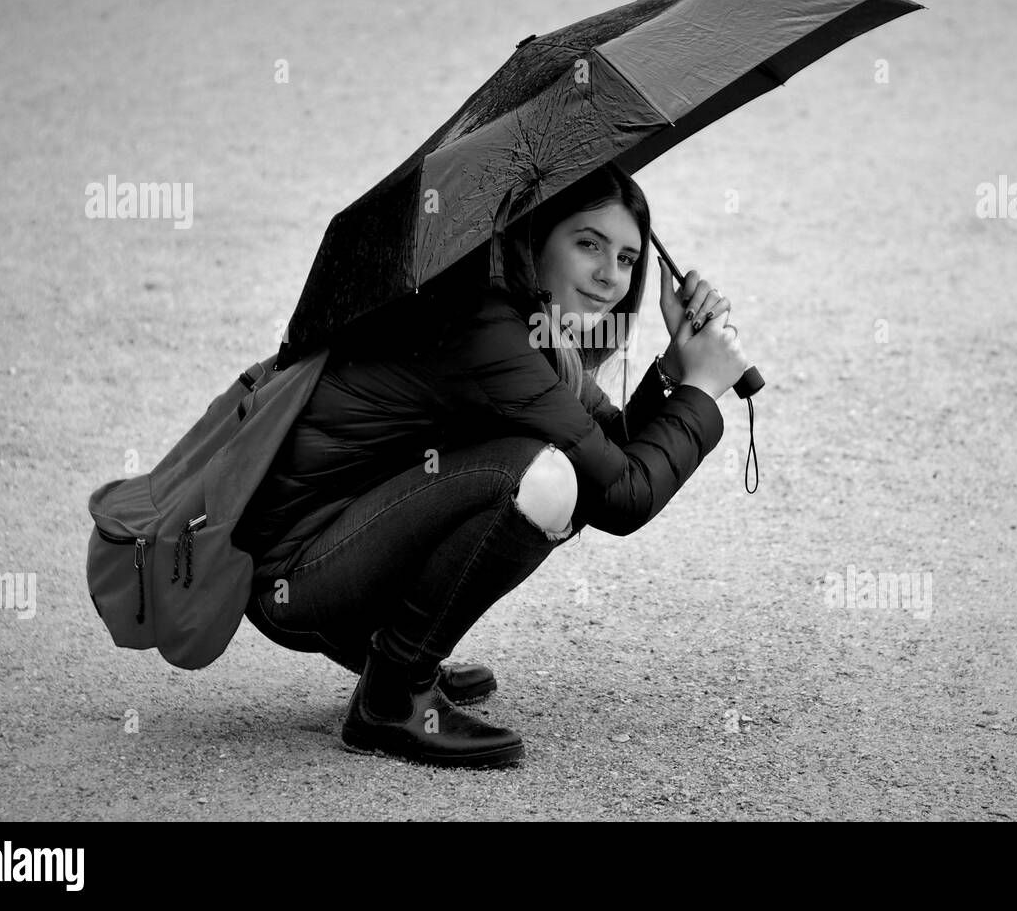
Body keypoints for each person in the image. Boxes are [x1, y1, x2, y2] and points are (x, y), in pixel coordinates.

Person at [234, 162, 752, 768]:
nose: (610, 277)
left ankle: (397, 650)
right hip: (295, 573)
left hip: (339, 549)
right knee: (543, 477)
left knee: (564, 468)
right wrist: (704, 389)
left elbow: (612, 451)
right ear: (536, 237)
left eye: (629, 259)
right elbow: (623, 497)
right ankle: (393, 695)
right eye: (589, 244)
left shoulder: (521, 318)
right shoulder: (487, 325)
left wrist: (674, 368)